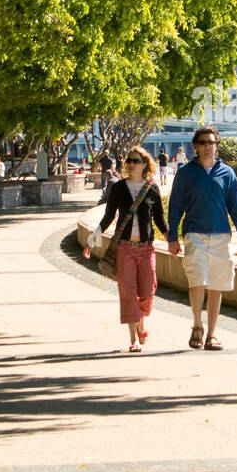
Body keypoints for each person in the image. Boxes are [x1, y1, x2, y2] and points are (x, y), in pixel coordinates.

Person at [167, 126, 237, 351]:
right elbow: (175, 206)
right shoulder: (186, 173)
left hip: (221, 235)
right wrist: (172, 236)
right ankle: (196, 325)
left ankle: (212, 334)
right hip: (194, 235)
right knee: (197, 281)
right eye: (203, 142)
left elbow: (236, 206)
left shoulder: (227, 173)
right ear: (195, 146)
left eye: (211, 142)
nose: (207, 146)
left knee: (216, 286)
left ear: (216, 145)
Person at [86, 146, 168, 352]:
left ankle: (140, 321)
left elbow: (159, 218)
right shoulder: (119, 188)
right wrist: (91, 240)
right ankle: (133, 338)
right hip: (124, 248)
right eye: (129, 161)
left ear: (145, 165)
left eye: (135, 161)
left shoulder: (152, 189)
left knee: (148, 291)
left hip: (146, 248)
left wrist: (172, 240)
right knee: (128, 292)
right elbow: (108, 216)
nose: (131, 164)